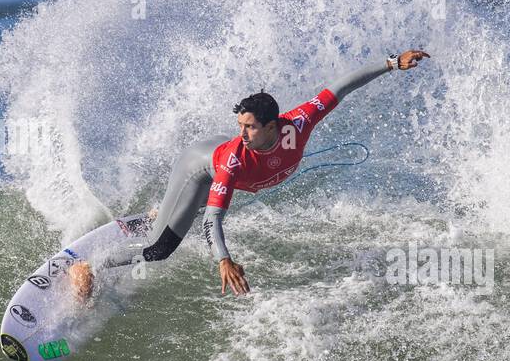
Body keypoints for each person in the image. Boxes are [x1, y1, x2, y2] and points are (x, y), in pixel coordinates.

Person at [70, 49, 430, 299]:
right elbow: (215, 218)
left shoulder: (300, 122)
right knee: (161, 248)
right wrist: (223, 259)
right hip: (199, 169)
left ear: (273, 125)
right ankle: (91, 268)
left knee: (176, 220)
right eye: (240, 126)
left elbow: (340, 88)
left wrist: (393, 64)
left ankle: (160, 213)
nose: (243, 134)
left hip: (213, 158)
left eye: (250, 127)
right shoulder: (233, 159)